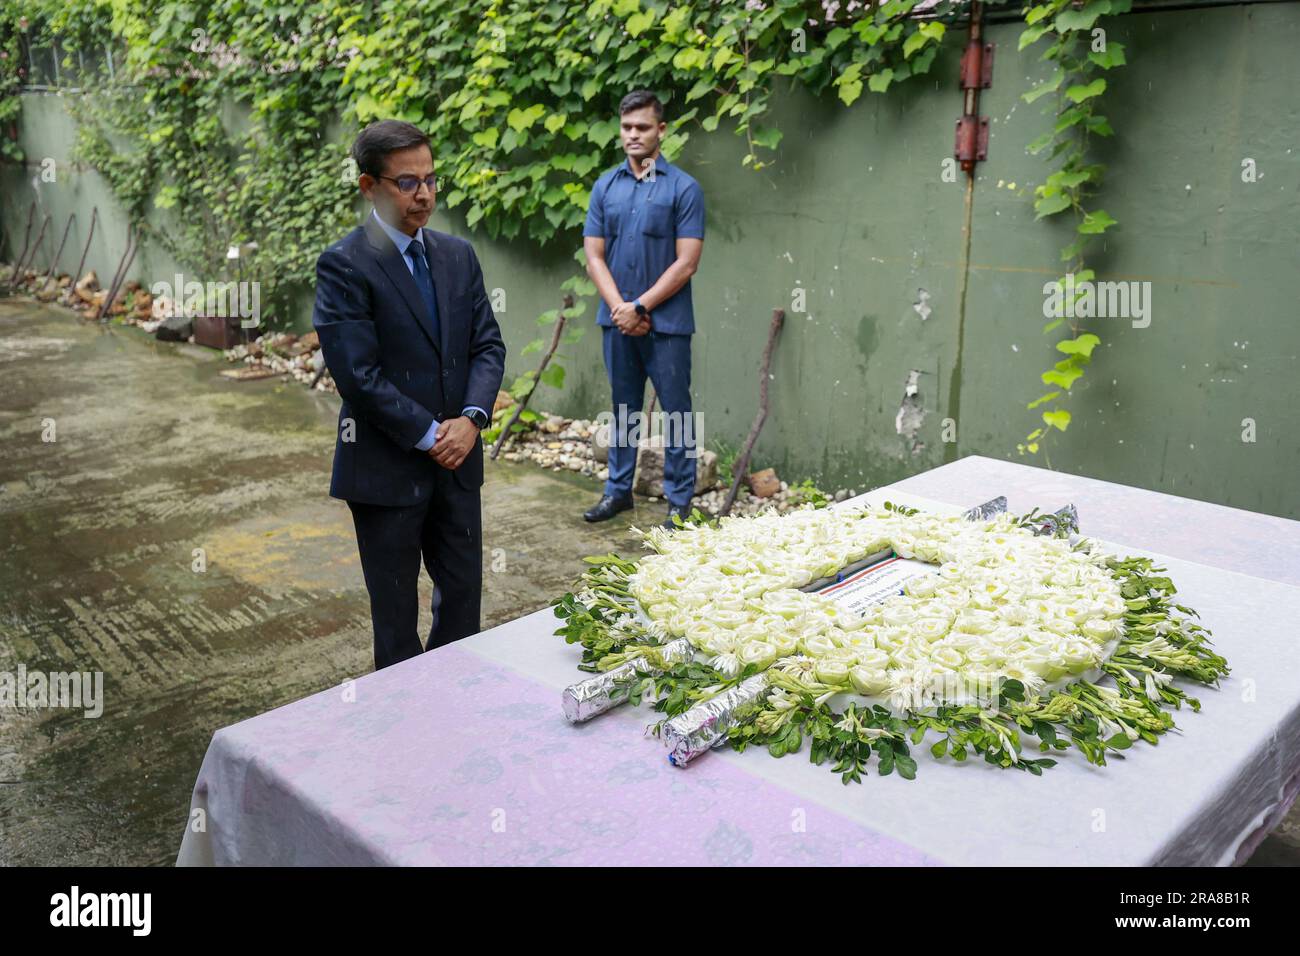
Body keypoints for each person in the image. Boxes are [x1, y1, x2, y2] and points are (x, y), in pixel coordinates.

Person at [313, 119, 506, 670]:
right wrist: (429, 435)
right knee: (396, 623)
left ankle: (454, 716)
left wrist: (470, 419)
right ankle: (404, 739)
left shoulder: (457, 256)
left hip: (459, 464)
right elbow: (357, 375)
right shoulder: (345, 265)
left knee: (463, 609)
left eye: (430, 179)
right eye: (406, 183)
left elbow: (488, 346)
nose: (423, 194)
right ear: (368, 186)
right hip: (386, 473)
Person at [582, 90, 706, 529]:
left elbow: (687, 262)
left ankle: (679, 502)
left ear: (661, 131)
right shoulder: (605, 186)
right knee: (622, 409)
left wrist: (641, 305)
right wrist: (621, 308)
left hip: (667, 323)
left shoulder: (684, 189)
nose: (633, 135)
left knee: (676, 411)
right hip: (617, 321)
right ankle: (618, 492)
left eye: (643, 127)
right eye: (627, 127)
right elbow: (594, 255)